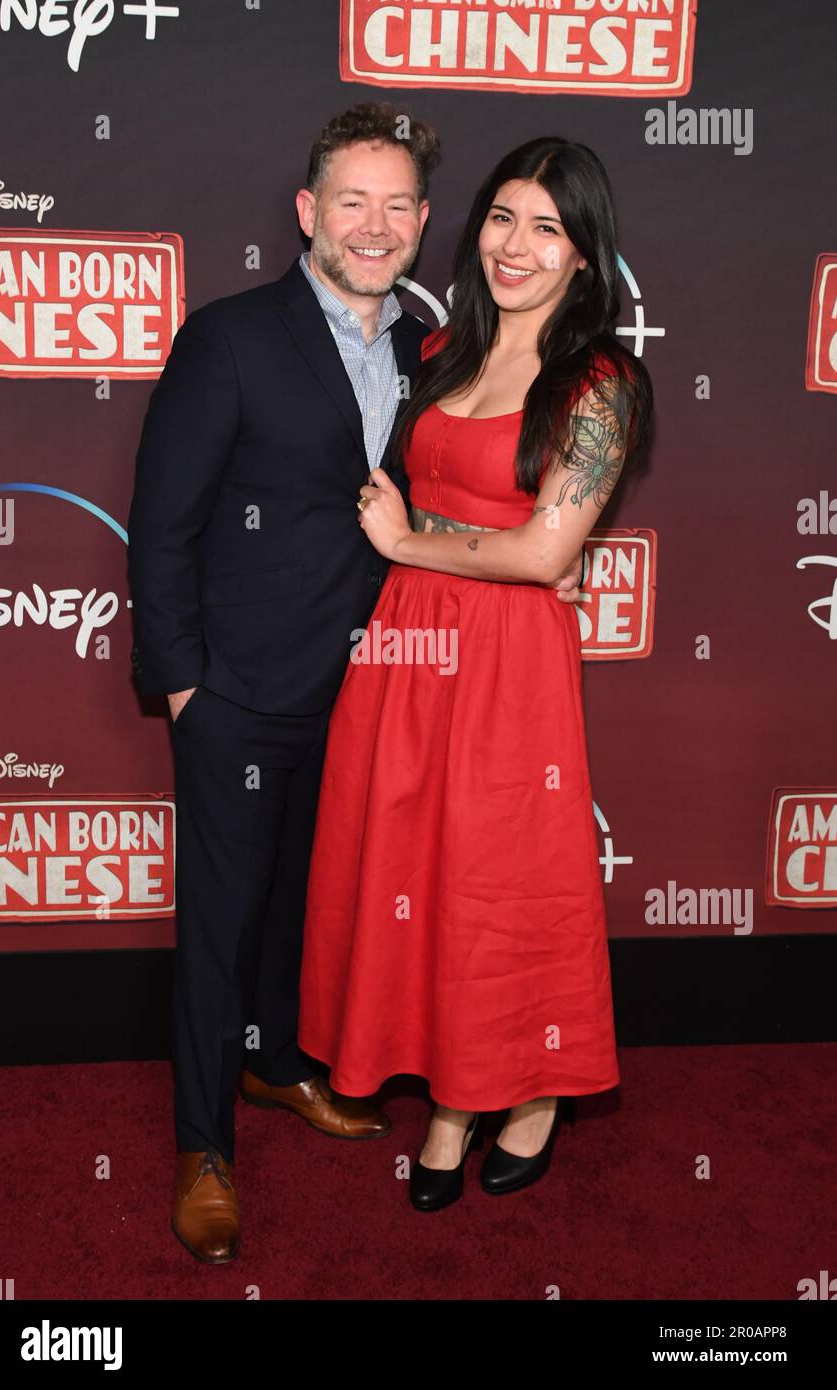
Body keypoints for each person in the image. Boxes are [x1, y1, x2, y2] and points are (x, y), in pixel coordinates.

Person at [127, 102, 589, 1263]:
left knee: (305, 907)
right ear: (307, 212)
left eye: (396, 206)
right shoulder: (228, 336)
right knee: (218, 928)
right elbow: (161, 525)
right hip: (236, 688)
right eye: (350, 202)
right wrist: (184, 684)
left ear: (424, 223)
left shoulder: (433, 354)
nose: (373, 226)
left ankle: (278, 1064)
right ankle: (203, 1147)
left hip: (380, 693)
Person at [298, 136, 654, 1211]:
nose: (516, 244)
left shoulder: (601, 381)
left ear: (583, 256)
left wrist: (408, 544)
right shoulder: (444, 346)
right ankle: (452, 1091)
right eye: (502, 217)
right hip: (411, 645)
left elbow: (547, 552)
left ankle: (513, 1097)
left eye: (547, 227)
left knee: (496, 880)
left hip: (505, 657)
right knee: (413, 865)